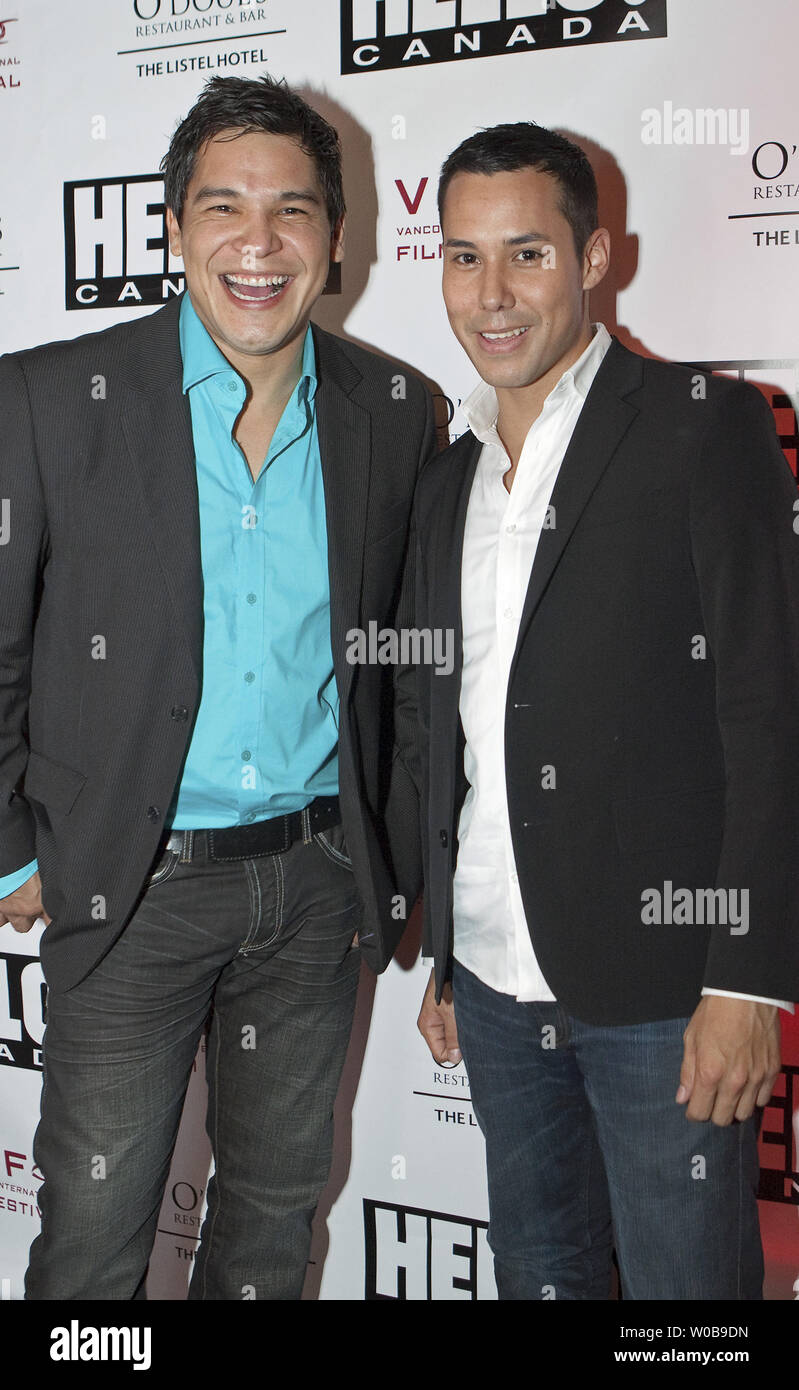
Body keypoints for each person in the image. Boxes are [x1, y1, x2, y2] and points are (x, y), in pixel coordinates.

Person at [0, 73, 434, 1300]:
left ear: (337, 240)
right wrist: (11, 850)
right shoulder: (45, 400)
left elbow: (402, 662)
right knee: (89, 1245)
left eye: (293, 211)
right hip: (127, 893)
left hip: (313, 891)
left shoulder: (394, 413)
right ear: (175, 227)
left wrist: (389, 854)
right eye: (224, 208)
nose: (260, 243)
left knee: (268, 1228)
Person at [415, 121, 799, 1300]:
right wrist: (441, 937)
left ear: (593, 259)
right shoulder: (445, 473)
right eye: (463, 256)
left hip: (662, 992)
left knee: (690, 1301)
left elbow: (769, 709)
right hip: (487, 974)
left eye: (526, 253)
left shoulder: (705, 425)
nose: (491, 294)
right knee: (542, 1277)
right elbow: (457, 726)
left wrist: (748, 983)